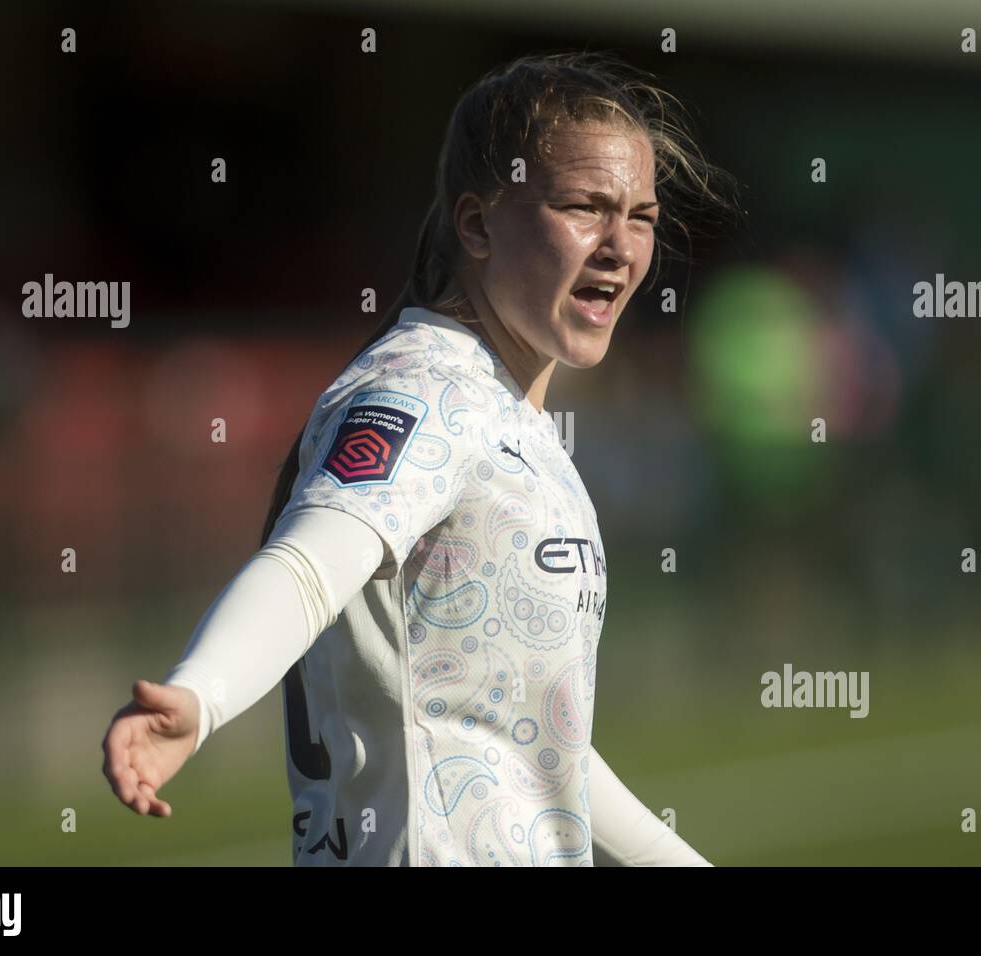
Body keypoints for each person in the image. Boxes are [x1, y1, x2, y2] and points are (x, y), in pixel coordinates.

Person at [102, 50, 739, 866]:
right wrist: (201, 693)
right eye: (585, 206)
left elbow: (539, 752)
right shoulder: (424, 391)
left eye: (642, 216)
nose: (620, 245)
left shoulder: (513, 417)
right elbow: (306, 566)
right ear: (476, 224)